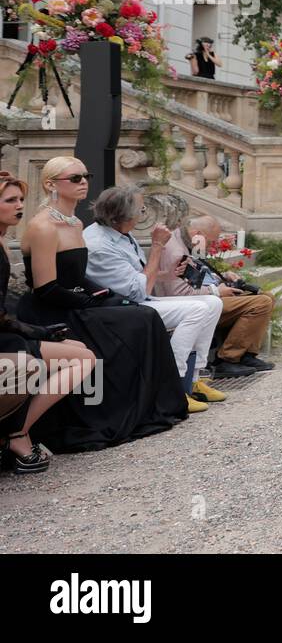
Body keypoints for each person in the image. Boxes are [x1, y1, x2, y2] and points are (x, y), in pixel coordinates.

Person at [20, 158, 188, 449]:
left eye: (86, 175)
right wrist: (90, 300)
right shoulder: (43, 227)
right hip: (52, 312)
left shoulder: (74, 223)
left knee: (142, 314)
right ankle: (119, 411)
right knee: (139, 320)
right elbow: (45, 288)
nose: (83, 181)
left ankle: (151, 405)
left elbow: (79, 277)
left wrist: (106, 295)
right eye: (74, 178)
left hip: (77, 303)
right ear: (50, 185)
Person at [82, 184, 230, 411]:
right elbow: (138, 290)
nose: (143, 215)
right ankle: (174, 385)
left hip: (138, 301)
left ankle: (194, 378)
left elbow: (141, 278)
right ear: (123, 215)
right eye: (141, 210)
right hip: (121, 308)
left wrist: (167, 275)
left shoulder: (121, 233)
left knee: (212, 302)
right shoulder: (100, 245)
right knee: (198, 310)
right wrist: (158, 246)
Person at [0, 174, 96, 473]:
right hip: (6, 336)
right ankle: (17, 434)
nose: (18, 206)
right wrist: (38, 331)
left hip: (9, 331)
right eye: (9, 200)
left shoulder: (2, 239)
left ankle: (17, 431)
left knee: (80, 350)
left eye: (20, 199)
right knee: (83, 358)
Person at [153, 214, 278, 374]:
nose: (212, 246)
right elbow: (178, 293)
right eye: (212, 241)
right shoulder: (176, 252)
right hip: (192, 303)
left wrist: (222, 276)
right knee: (261, 303)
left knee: (268, 297)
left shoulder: (191, 240)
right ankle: (227, 359)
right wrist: (217, 291)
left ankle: (247, 354)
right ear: (198, 233)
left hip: (205, 295)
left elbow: (199, 272)